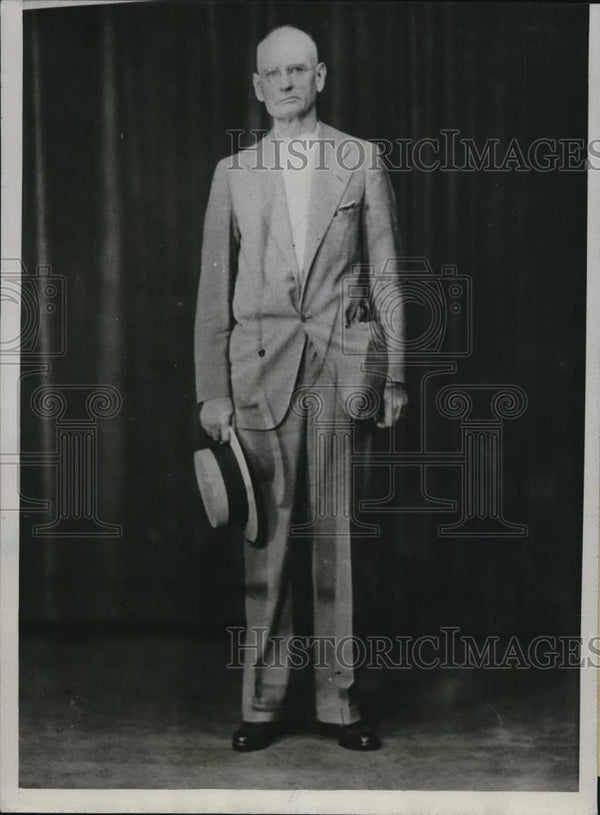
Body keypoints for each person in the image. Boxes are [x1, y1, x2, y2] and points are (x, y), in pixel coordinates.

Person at [194, 25, 408, 752]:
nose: (286, 83)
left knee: (338, 538)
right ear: (258, 87)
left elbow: (387, 271)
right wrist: (212, 390)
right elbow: (213, 290)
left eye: (298, 70)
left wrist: (396, 373)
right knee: (267, 538)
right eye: (273, 73)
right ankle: (261, 705)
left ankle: (338, 703)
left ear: (320, 76)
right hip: (260, 371)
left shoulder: (360, 159)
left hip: (343, 369)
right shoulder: (233, 173)